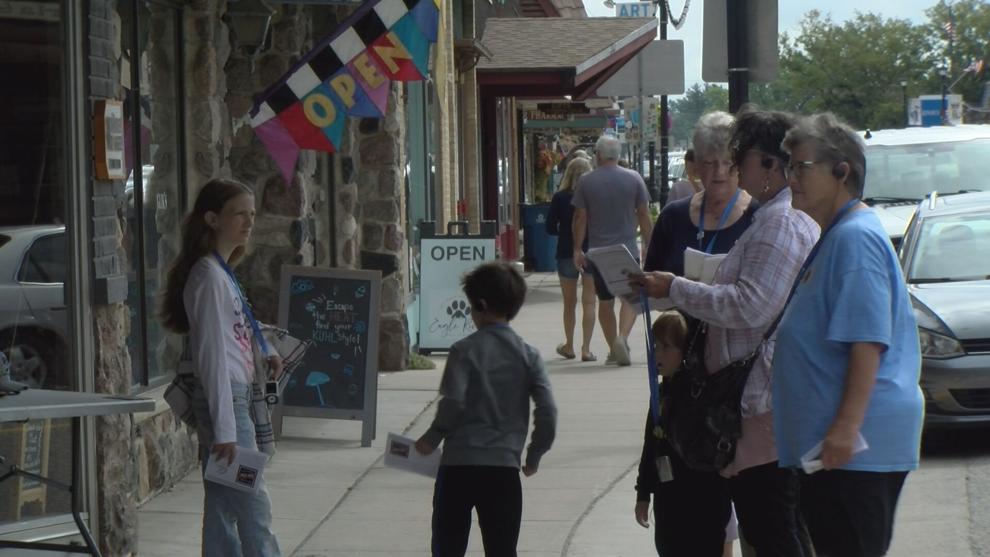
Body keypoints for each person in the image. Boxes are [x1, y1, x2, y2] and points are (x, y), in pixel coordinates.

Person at [633, 109, 820, 556]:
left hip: (762, 403)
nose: (733, 167)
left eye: (741, 157)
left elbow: (749, 304)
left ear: (770, 164)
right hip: (754, 400)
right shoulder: (772, 220)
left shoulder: (780, 225)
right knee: (769, 524)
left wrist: (677, 287)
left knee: (772, 526)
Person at [773, 113, 923, 557]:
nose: (791, 178)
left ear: (842, 172)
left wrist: (844, 429)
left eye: (802, 167)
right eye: (789, 166)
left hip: (856, 449)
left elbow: (867, 341)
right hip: (835, 448)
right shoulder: (837, 235)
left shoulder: (855, 238)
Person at [159, 178, 283, 557]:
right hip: (226, 400)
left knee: (223, 504)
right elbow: (211, 354)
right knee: (252, 502)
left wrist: (265, 346)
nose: (248, 222)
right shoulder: (208, 276)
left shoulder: (220, 272)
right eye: (239, 214)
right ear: (212, 219)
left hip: (233, 396)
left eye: (252, 214)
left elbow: (232, 328)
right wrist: (226, 429)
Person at [415, 262, 558, 557]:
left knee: (448, 545)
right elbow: (547, 410)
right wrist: (534, 453)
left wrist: (432, 437)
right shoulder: (528, 355)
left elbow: (453, 402)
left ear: (479, 305)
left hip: (458, 469)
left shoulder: (463, 350)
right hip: (503, 471)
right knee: (502, 548)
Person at [634, 311, 739, 557]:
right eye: (655, 345)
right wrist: (643, 493)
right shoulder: (661, 393)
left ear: (686, 351)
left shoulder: (700, 395)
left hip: (704, 501)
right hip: (669, 501)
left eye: (666, 347)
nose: (657, 354)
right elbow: (651, 445)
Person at [572, 135, 653, 366]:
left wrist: (578, 248)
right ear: (618, 155)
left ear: (597, 154)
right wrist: (650, 244)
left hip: (598, 252)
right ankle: (622, 337)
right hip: (627, 249)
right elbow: (644, 215)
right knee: (630, 297)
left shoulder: (586, 181)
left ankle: (612, 349)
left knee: (605, 301)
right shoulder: (634, 178)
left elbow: (580, 217)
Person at [547, 157, 598, 361]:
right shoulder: (594, 197)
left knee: (569, 303)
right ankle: (586, 349)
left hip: (567, 252)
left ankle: (569, 345)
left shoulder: (559, 198)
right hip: (591, 253)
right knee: (589, 303)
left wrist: (564, 231)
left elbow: (550, 227)